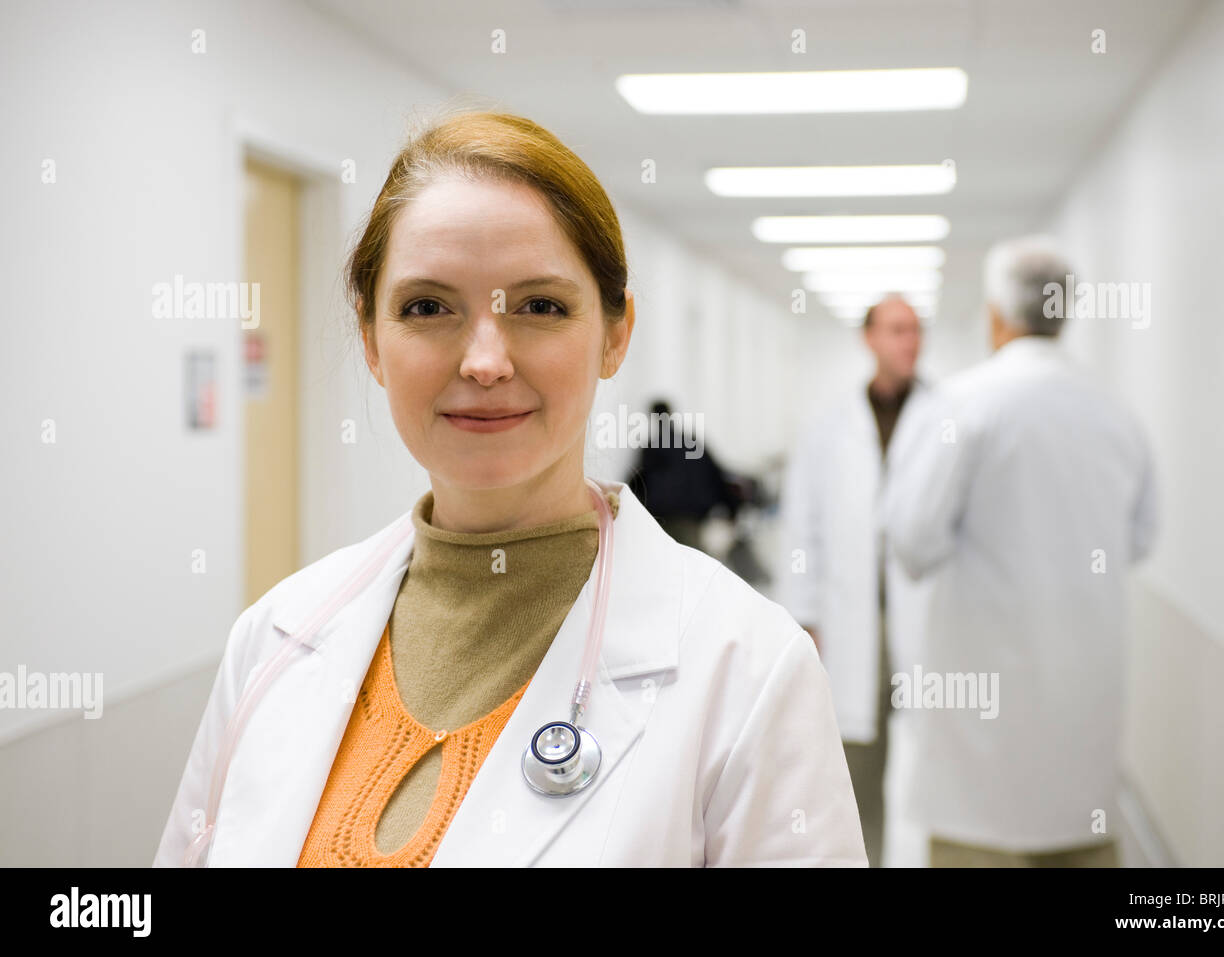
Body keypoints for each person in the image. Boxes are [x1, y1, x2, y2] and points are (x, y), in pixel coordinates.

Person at [152, 109, 866, 868]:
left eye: (539, 307)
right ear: (370, 339)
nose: (484, 361)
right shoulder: (272, 639)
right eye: (428, 307)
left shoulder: (748, 668)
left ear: (615, 333)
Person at [883, 235, 1158, 867]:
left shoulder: (962, 404)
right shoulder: (1115, 412)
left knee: (982, 844)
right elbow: (1140, 539)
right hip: (1083, 702)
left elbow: (913, 540)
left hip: (982, 738)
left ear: (997, 315)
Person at [778, 293, 929, 867]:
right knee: (855, 762)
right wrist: (805, 613)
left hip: (925, 618)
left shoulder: (946, 417)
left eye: (915, 330)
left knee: (940, 763)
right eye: (896, 330)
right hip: (850, 621)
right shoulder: (829, 425)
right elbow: (803, 524)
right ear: (869, 339)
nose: (909, 341)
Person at [625, 399, 739, 550]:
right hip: (692, 519)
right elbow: (716, 476)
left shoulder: (652, 447)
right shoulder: (691, 443)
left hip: (662, 520)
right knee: (691, 564)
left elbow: (637, 483)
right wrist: (731, 509)